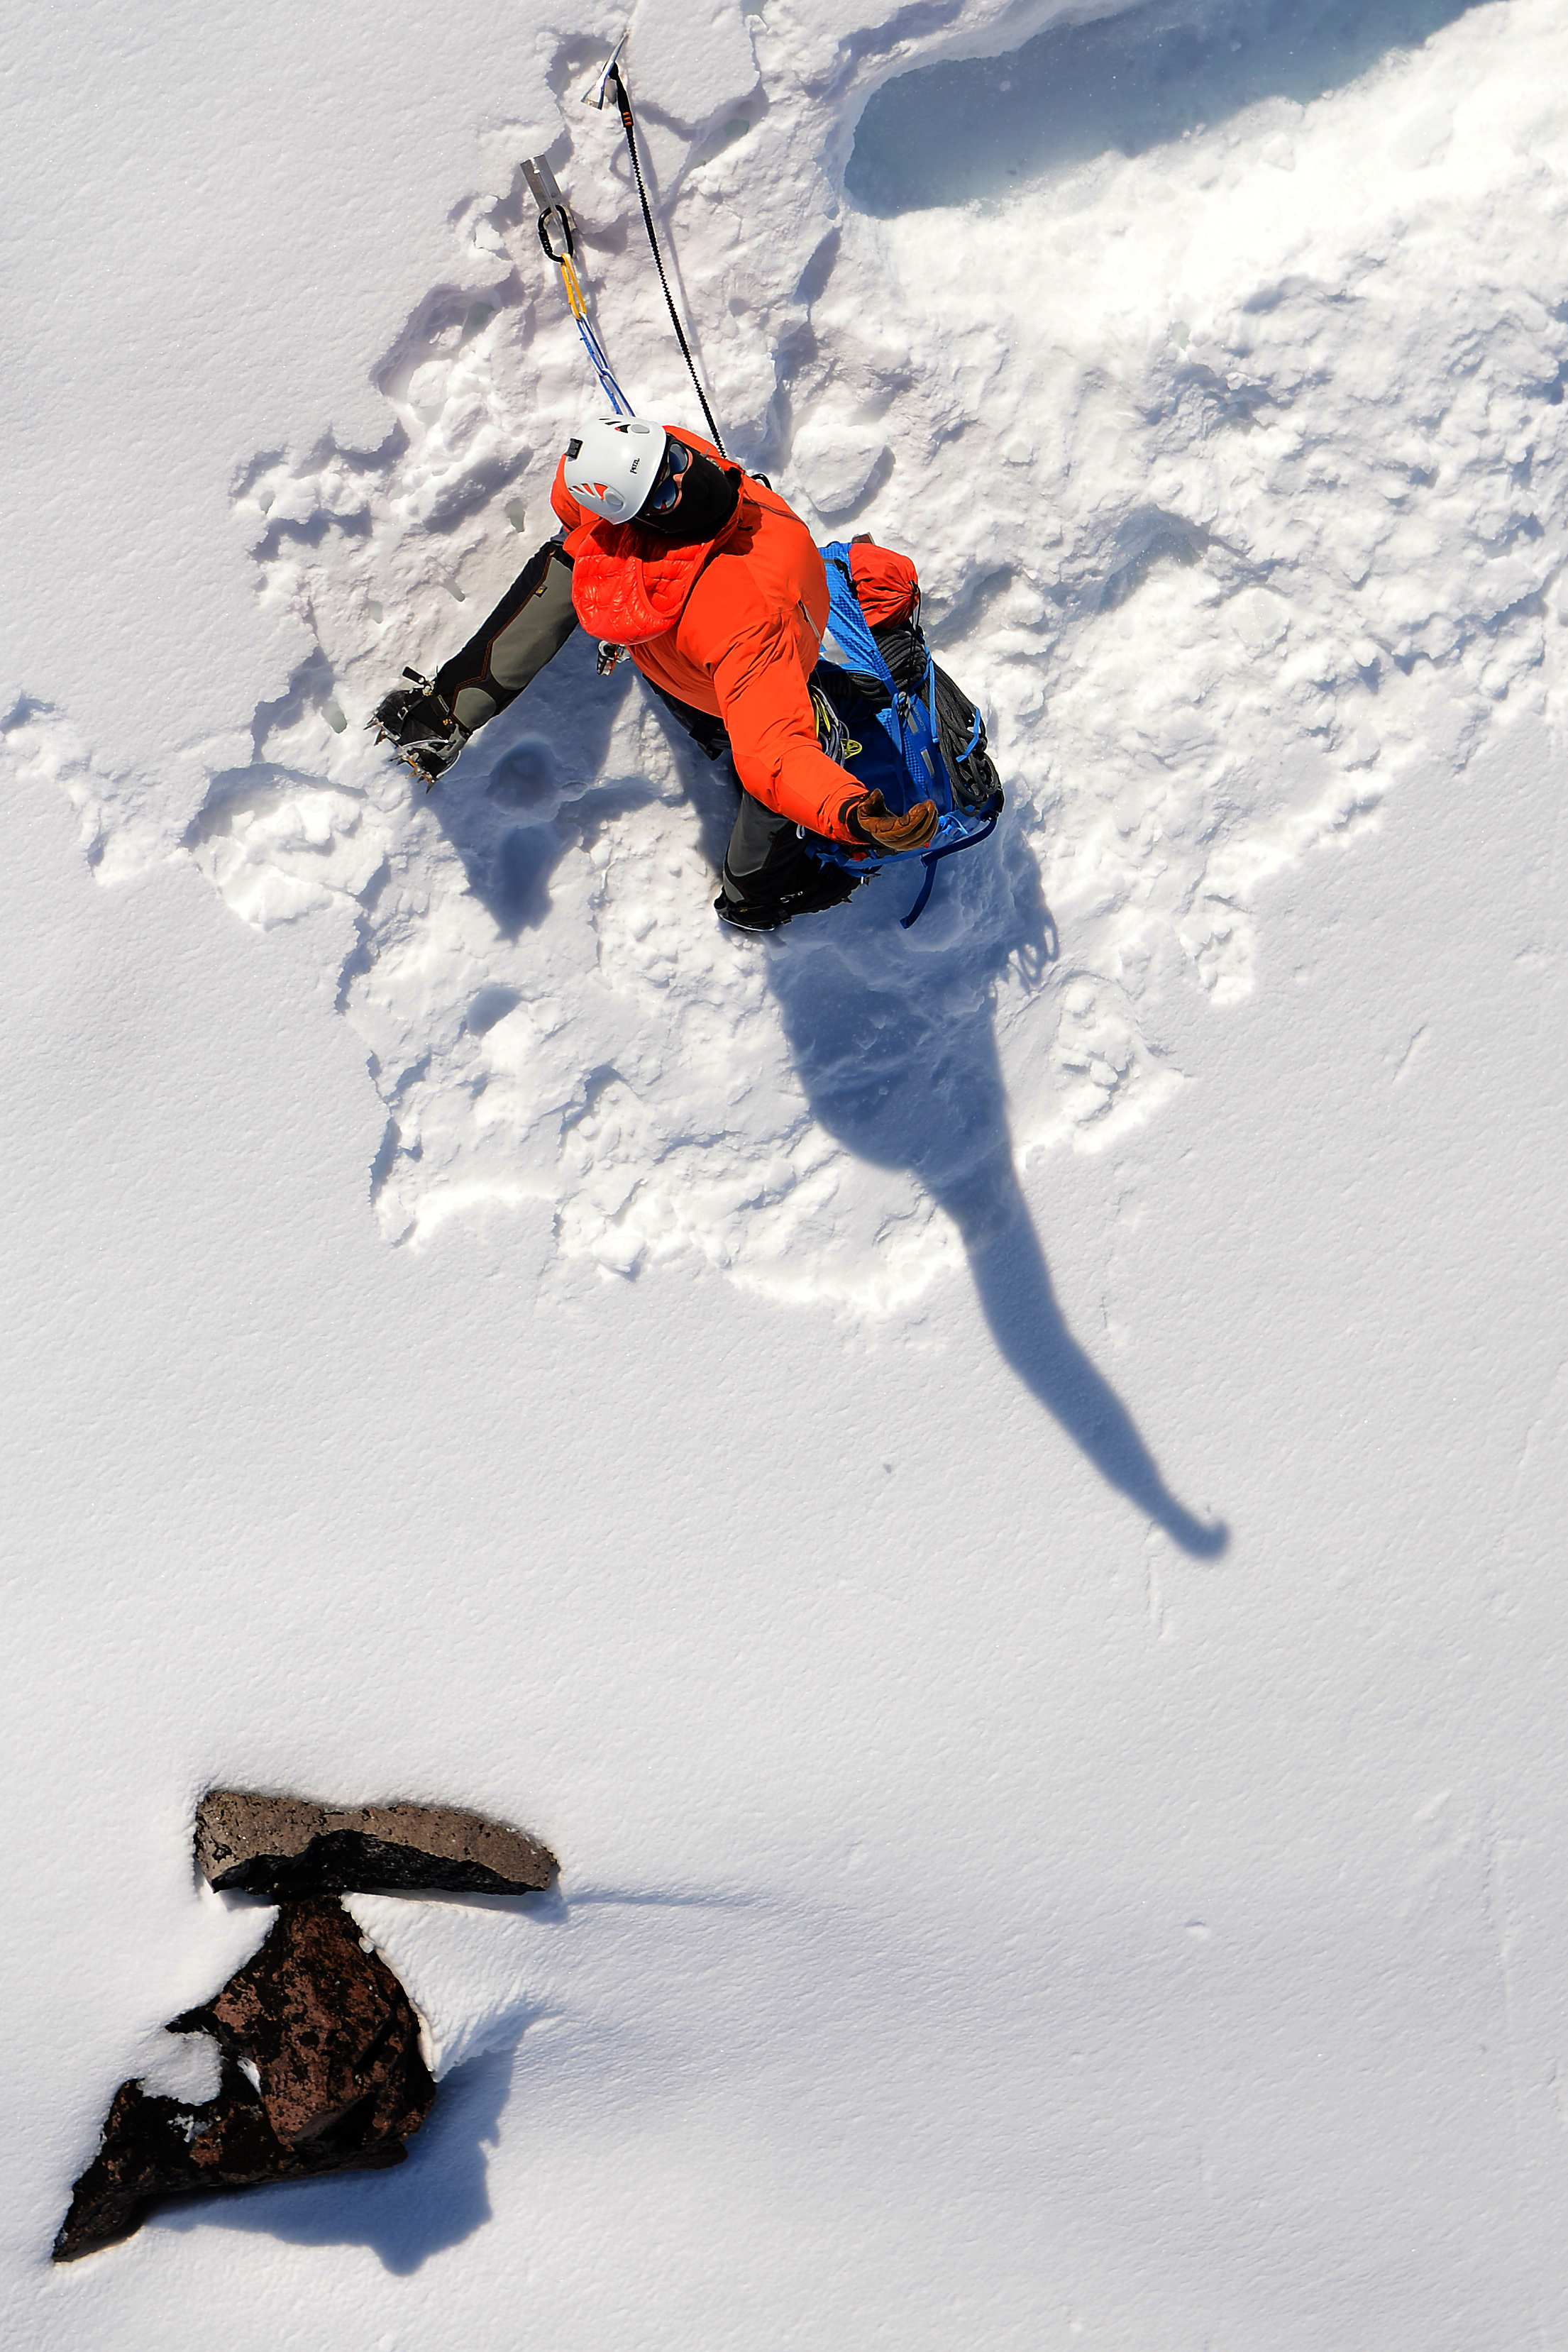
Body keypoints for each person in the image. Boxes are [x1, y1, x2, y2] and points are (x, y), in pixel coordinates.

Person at [372, 416, 995, 929]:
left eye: (672, 459)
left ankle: (446, 712)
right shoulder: (741, 619)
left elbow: (578, 495)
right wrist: (851, 811)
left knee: (579, 554)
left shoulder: (644, 472)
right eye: (664, 493)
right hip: (741, 678)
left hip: (722, 643)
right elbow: (775, 754)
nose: (684, 477)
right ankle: (760, 894)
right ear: (640, 521)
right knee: (804, 743)